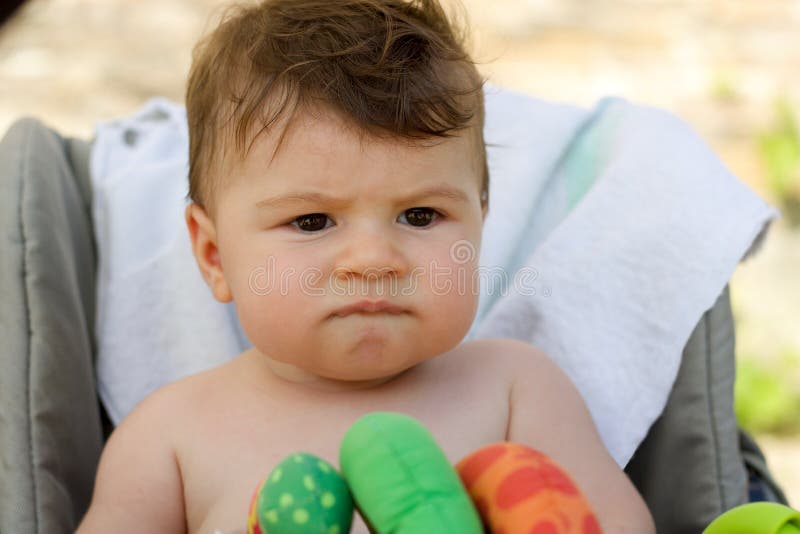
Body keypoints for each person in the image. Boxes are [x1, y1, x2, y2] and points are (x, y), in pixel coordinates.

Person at [77, 0, 655, 532]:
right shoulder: (171, 436)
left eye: (421, 216)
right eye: (312, 221)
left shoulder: (515, 390)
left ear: (479, 226)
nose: (374, 261)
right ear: (214, 256)